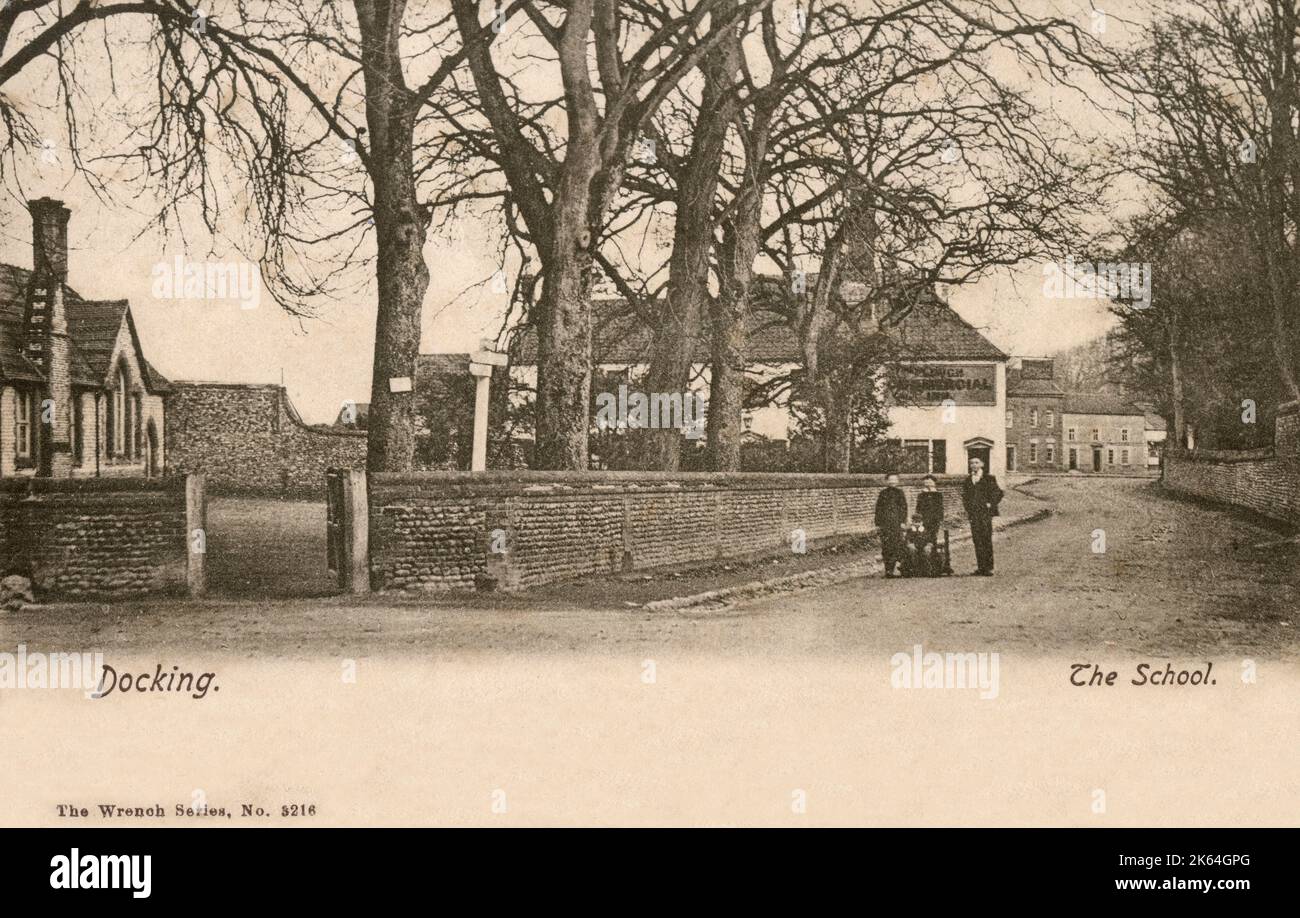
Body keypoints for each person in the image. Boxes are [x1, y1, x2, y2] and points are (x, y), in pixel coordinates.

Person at [961, 457, 1003, 576]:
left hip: (985, 513)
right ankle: (980, 567)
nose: (974, 465)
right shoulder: (968, 480)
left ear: (982, 464)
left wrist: (991, 503)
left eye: (976, 463)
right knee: (977, 540)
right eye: (971, 463)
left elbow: (999, 493)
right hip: (974, 514)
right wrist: (968, 509)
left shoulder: (989, 478)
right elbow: (965, 497)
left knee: (986, 539)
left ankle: (988, 567)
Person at [873, 472, 909, 578]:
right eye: (890, 480)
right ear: (887, 481)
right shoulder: (883, 493)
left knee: (896, 546)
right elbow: (878, 509)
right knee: (886, 547)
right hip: (885, 524)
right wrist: (878, 523)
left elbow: (904, 508)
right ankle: (888, 570)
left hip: (896, 524)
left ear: (897, 481)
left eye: (894, 479)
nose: (892, 481)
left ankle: (895, 568)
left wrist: (903, 522)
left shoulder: (900, 493)